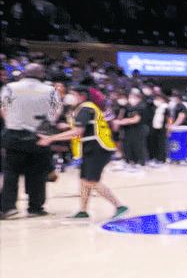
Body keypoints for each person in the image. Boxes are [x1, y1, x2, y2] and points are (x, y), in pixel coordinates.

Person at [38, 85, 128, 221]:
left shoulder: (86, 108)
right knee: (84, 180)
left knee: (92, 181)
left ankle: (119, 206)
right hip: (90, 148)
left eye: (72, 93)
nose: (69, 96)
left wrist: (51, 138)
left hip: (98, 147)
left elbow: (77, 132)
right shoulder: (82, 109)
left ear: (82, 95)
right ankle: (83, 210)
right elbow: (86, 128)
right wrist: (68, 126)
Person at [0, 63, 62, 220]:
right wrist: (47, 125)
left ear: (24, 73)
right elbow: (57, 110)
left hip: (14, 135)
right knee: (38, 173)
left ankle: (8, 207)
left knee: (11, 172)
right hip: (39, 136)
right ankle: (35, 207)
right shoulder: (50, 90)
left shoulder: (10, 87)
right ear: (41, 74)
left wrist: (11, 121)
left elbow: (2, 107)